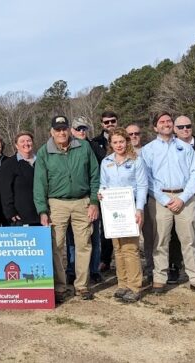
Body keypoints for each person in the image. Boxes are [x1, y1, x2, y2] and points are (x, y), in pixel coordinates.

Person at [140, 112, 195, 296]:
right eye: (161, 122)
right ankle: (159, 279)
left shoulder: (185, 147)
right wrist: (165, 200)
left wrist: (182, 198)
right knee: (160, 241)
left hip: (185, 199)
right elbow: (147, 179)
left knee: (188, 241)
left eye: (168, 121)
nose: (166, 124)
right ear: (155, 127)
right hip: (159, 199)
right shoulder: (148, 150)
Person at [34, 116, 100, 303]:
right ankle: (60, 286)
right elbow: (39, 184)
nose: (61, 133)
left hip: (82, 201)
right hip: (57, 204)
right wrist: (42, 210)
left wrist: (94, 201)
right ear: (51, 132)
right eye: (57, 129)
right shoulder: (44, 152)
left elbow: (95, 175)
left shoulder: (83, 147)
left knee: (83, 245)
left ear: (69, 130)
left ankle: (81, 285)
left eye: (64, 129)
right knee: (57, 246)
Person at [98, 128, 148, 303]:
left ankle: (135, 286)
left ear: (127, 141)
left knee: (130, 249)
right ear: (110, 144)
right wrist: (101, 193)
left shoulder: (136, 161)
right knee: (118, 249)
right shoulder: (106, 162)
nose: (119, 145)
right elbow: (103, 184)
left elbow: (142, 186)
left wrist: (139, 209)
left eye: (121, 141)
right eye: (115, 142)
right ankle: (123, 283)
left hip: (130, 208)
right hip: (112, 210)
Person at [165, 115, 195, 284]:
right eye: (180, 127)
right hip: (175, 197)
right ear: (174, 129)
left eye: (188, 126)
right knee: (173, 236)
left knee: (194, 235)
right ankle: (174, 266)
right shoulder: (168, 147)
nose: (185, 129)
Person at [69, 117, 105, 284]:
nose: (81, 131)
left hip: (92, 199)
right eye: (78, 129)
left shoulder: (95, 147)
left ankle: (94, 269)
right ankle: (72, 270)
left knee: (94, 236)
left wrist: (95, 200)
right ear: (72, 130)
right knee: (73, 239)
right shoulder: (67, 147)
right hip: (73, 200)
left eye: (84, 128)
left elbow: (100, 173)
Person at [92, 111, 118, 274]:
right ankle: (105, 260)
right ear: (102, 124)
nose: (110, 124)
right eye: (106, 122)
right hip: (103, 190)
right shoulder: (95, 142)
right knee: (105, 228)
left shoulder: (124, 138)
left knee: (121, 225)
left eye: (112, 121)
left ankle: (124, 260)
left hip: (122, 191)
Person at [0, 131, 40, 226]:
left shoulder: (41, 162)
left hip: (42, 214)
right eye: (22, 141)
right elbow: (5, 191)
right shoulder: (9, 164)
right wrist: (10, 212)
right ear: (16, 146)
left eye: (29, 141)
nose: (26, 143)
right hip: (20, 217)